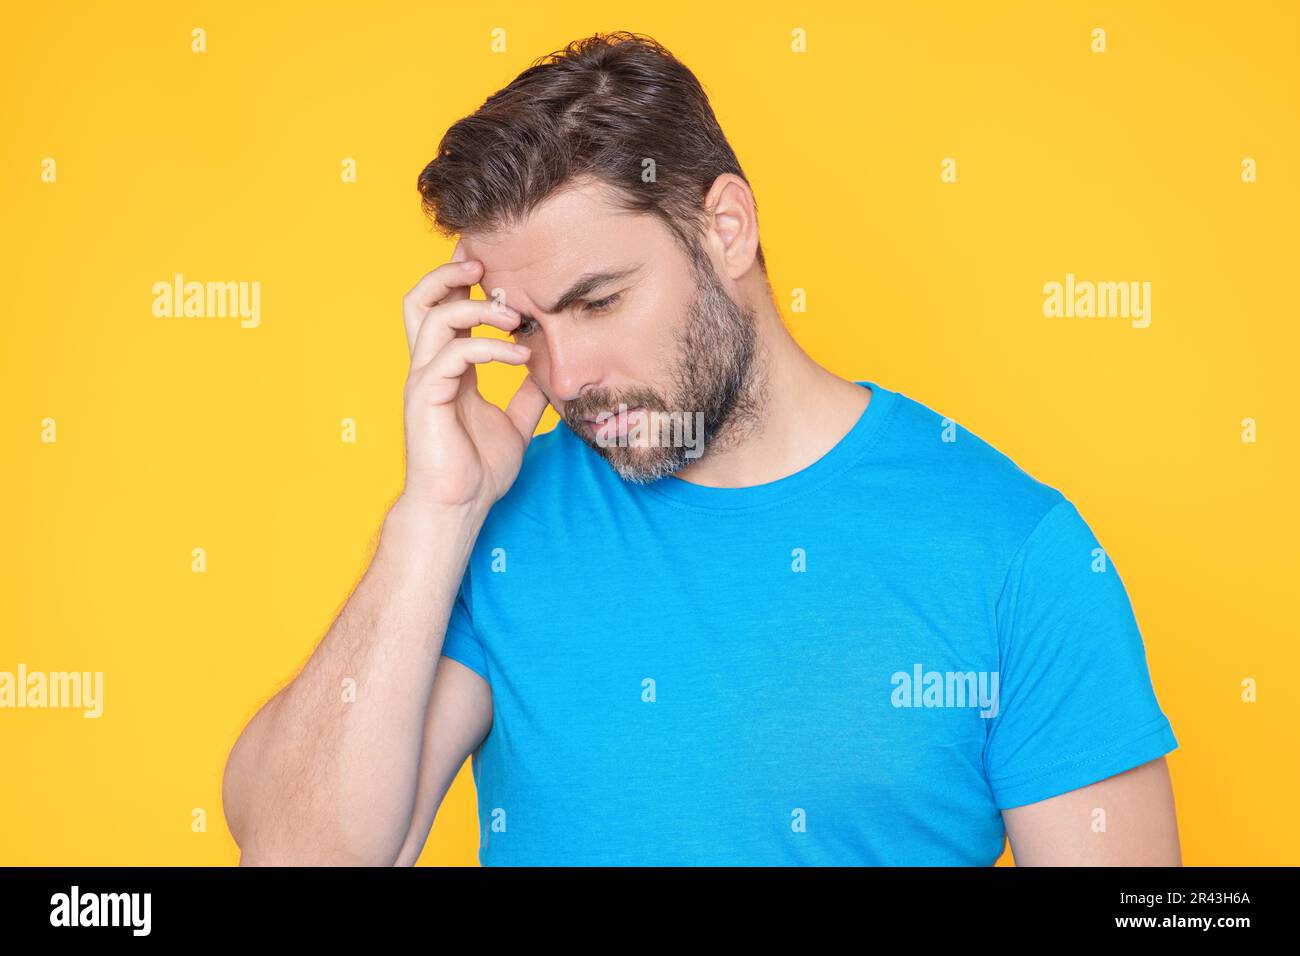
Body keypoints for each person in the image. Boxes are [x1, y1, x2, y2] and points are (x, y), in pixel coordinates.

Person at [222, 31, 1180, 866]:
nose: (565, 376)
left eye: (598, 302)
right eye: (526, 330)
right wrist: (436, 514)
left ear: (725, 227)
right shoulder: (496, 525)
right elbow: (294, 855)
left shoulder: (1018, 550)